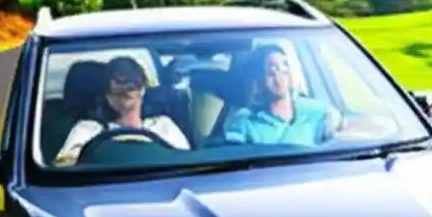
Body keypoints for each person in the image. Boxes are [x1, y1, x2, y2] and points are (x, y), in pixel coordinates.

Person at [54, 57, 191, 166]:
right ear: (107, 95)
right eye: (118, 84)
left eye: (131, 84)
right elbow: (64, 169)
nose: (125, 87)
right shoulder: (88, 130)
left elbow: (186, 164)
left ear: (142, 90)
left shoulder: (163, 126)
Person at [222, 48, 343, 147]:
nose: (279, 73)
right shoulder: (244, 123)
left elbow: (347, 131)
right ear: (259, 80)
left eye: (285, 65)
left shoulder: (317, 111)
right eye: (272, 69)